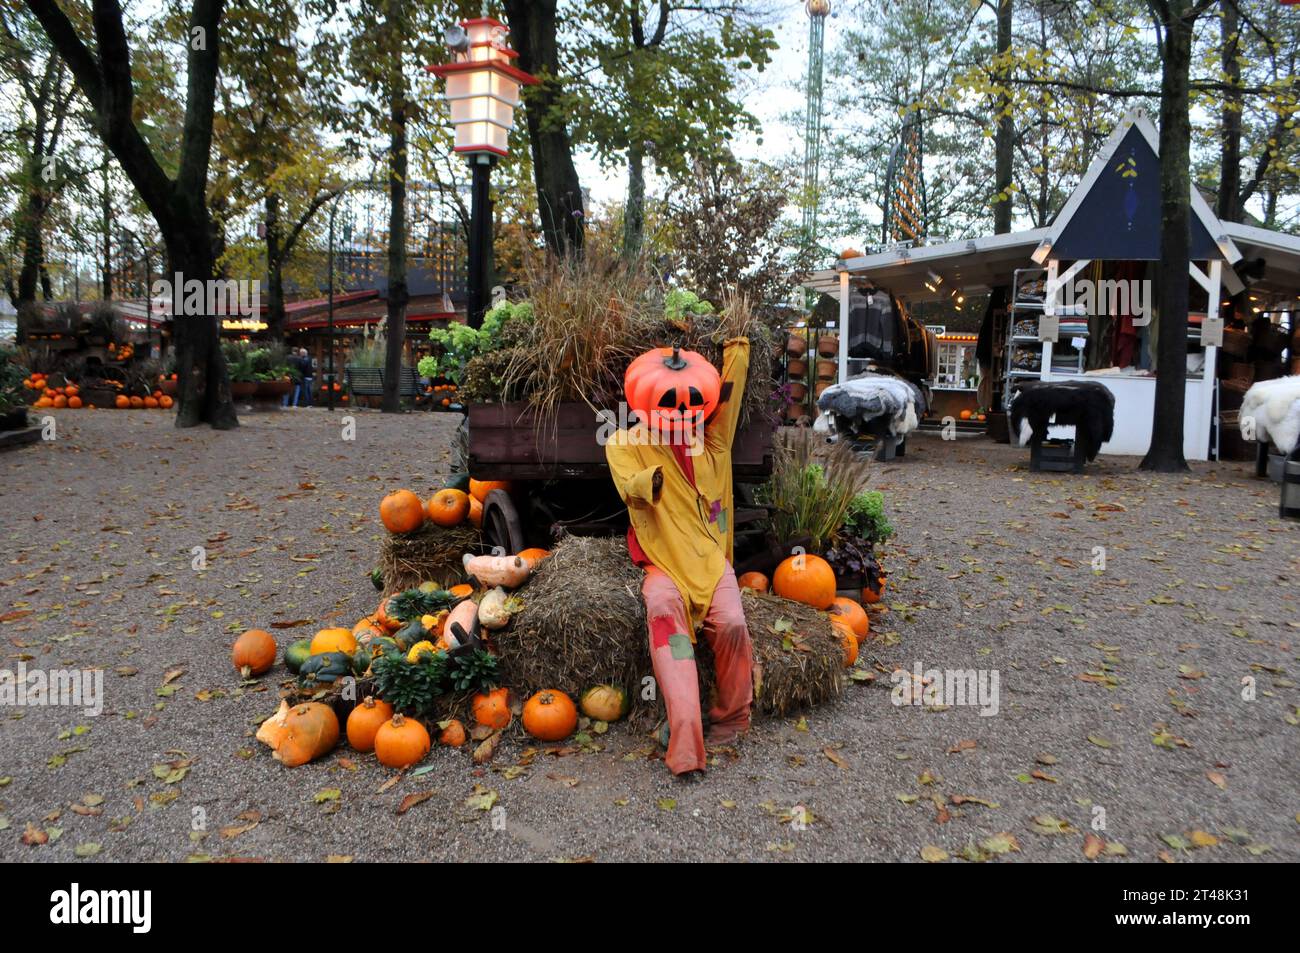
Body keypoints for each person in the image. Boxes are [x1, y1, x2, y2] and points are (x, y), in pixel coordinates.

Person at [604, 337, 753, 776]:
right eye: (671, 401)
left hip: (708, 559)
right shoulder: (624, 443)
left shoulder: (712, 444)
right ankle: (686, 736)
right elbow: (629, 487)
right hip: (661, 562)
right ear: (644, 399)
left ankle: (733, 718)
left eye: (692, 402)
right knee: (666, 615)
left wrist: (737, 351)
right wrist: (649, 479)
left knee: (732, 623)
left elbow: (729, 396)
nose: (683, 409)